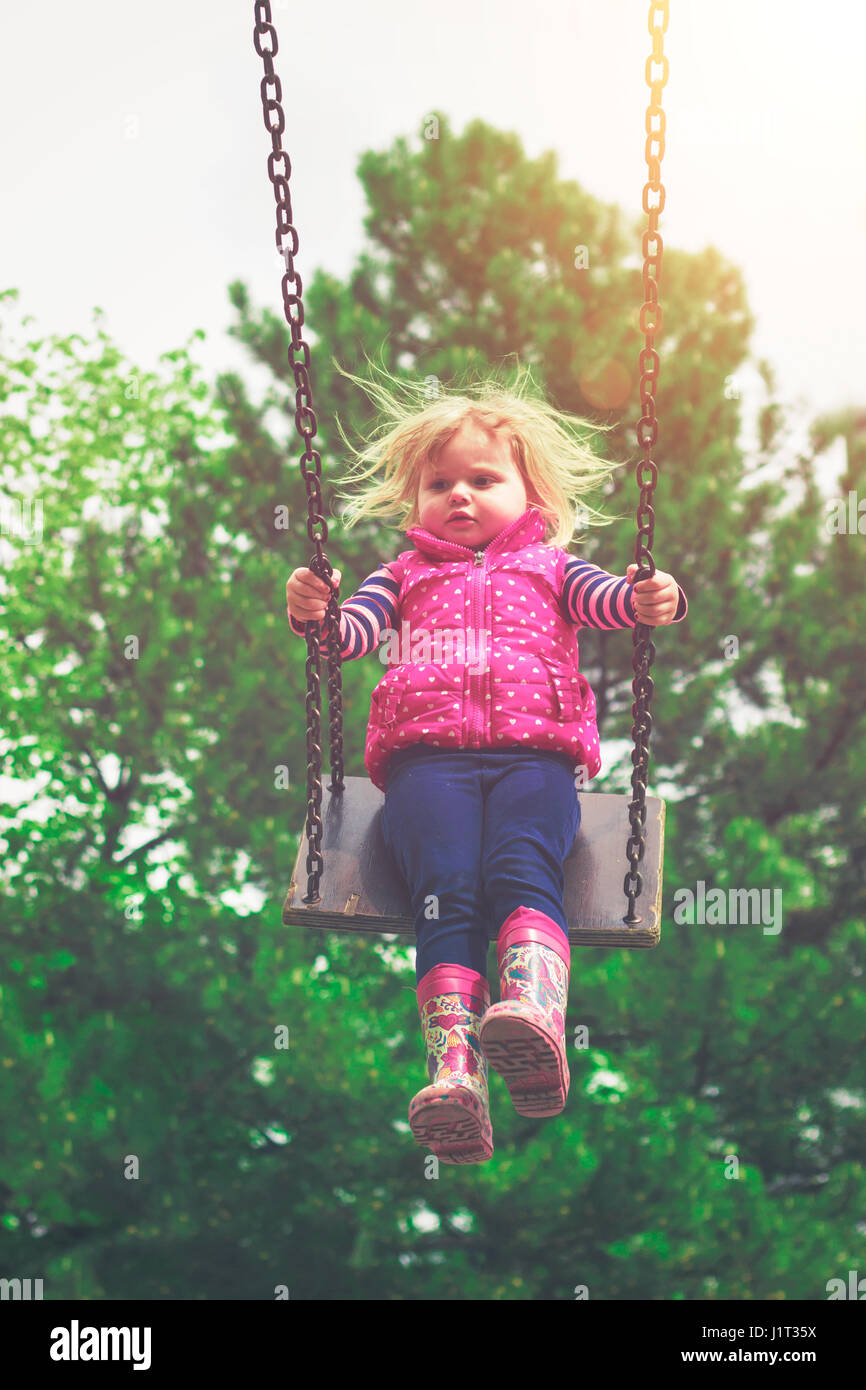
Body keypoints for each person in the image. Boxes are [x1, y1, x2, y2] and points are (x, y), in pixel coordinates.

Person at [285, 363, 688, 1165]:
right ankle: (455, 1073)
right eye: (440, 484)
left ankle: (532, 1012)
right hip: (426, 766)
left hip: (534, 760)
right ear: (416, 503)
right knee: (444, 892)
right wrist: (317, 611)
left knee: (520, 867)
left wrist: (654, 597)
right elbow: (350, 637)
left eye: (482, 478)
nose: (460, 495)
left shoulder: (551, 567)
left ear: (528, 494)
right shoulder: (400, 577)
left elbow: (615, 602)